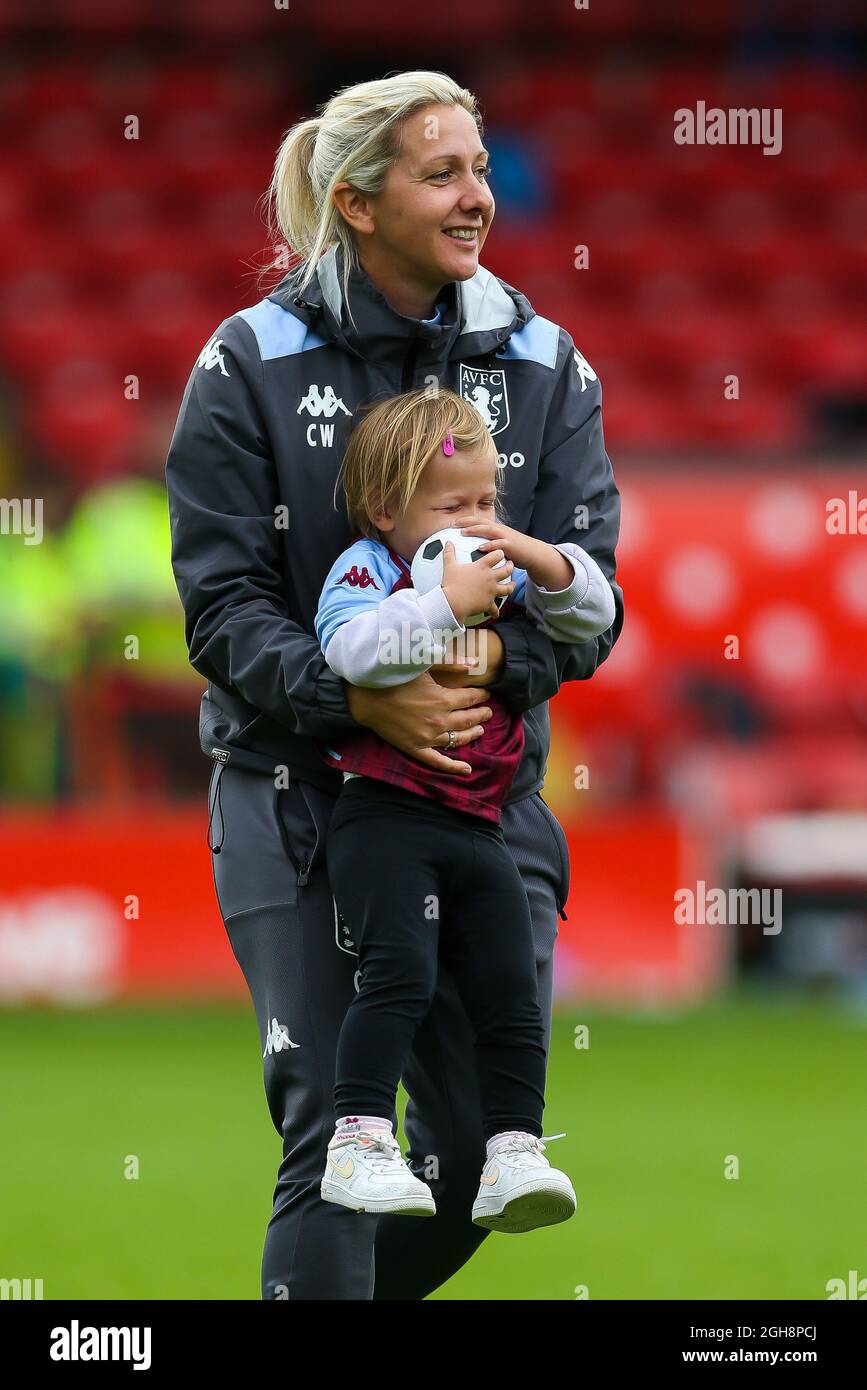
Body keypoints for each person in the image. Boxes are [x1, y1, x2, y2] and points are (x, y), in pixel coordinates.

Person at [166, 69, 624, 1299]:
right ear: (357, 203)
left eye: (481, 169)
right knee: (335, 1138)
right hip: (299, 796)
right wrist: (352, 697)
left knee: (484, 1156)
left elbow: (590, 591)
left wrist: (479, 666)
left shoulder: (544, 359)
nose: (479, 196)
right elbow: (220, 605)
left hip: (485, 801)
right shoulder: (246, 361)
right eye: (443, 173)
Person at [315, 387, 616, 1230]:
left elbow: (593, 614)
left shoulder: (502, 565)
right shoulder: (367, 571)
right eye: (452, 504)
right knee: (398, 974)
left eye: (488, 502)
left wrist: (538, 556)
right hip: (386, 816)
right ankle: (360, 1139)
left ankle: (513, 1149)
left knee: (511, 987)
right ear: (385, 508)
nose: (475, 520)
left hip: (481, 819)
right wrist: (444, 603)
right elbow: (350, 653)